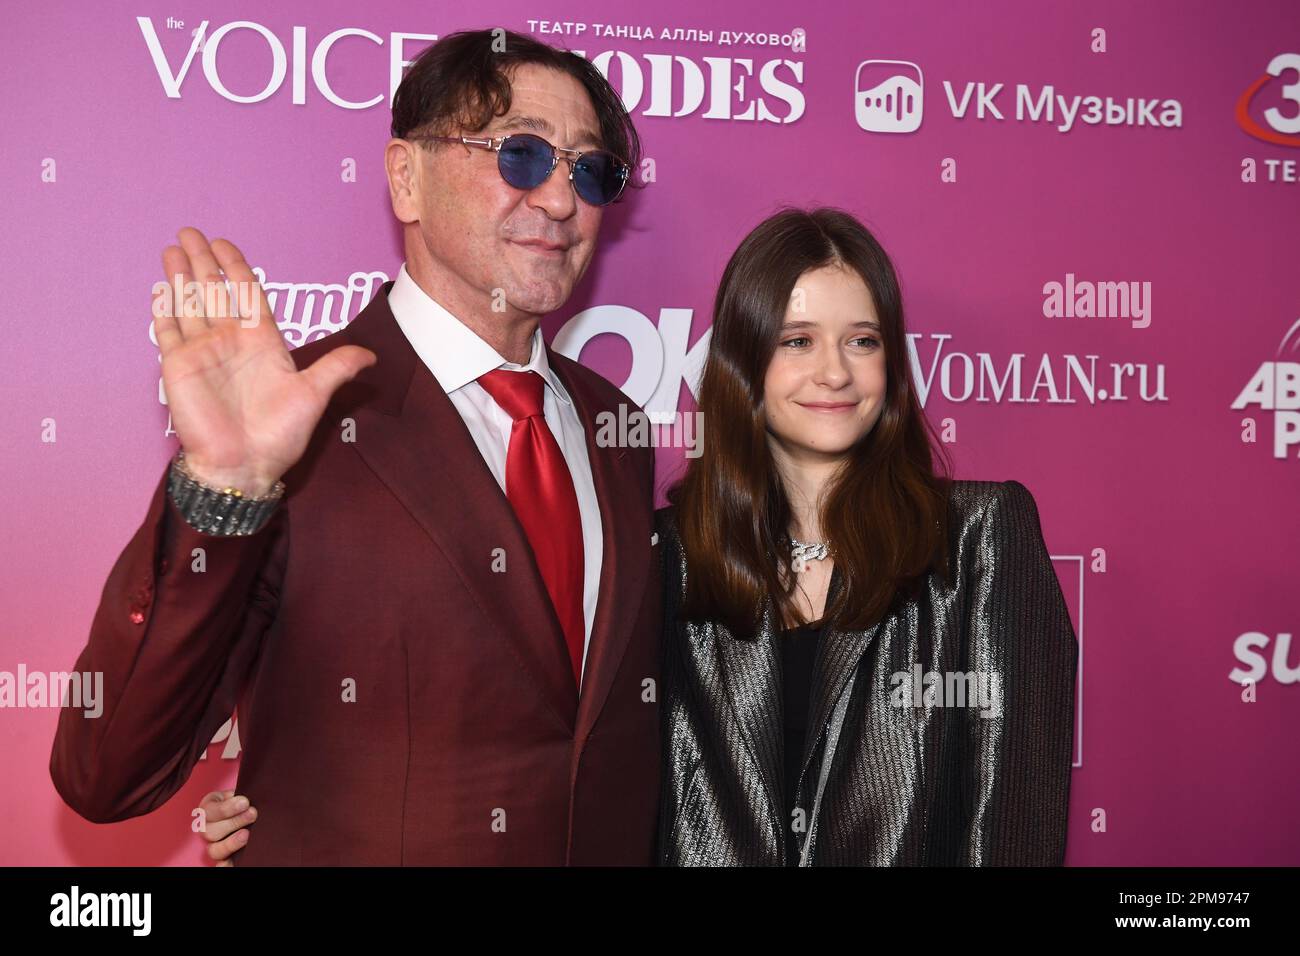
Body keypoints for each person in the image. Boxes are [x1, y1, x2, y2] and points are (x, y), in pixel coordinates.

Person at [200, 207, 1079, 866]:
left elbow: (1013, 823)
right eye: (797, 340)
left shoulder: (979, 539)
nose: (834, 372)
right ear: (742, 365)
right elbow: (556, 745)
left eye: (863, 341)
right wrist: (298, 810)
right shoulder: (670, 555)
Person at [50, 29, 664, 865]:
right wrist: (224, 487)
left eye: (589, 171)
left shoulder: (615, 428)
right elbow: (106, 772)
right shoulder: (295, 422)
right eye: (520, 155)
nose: (561, 200)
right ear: (406, 178)